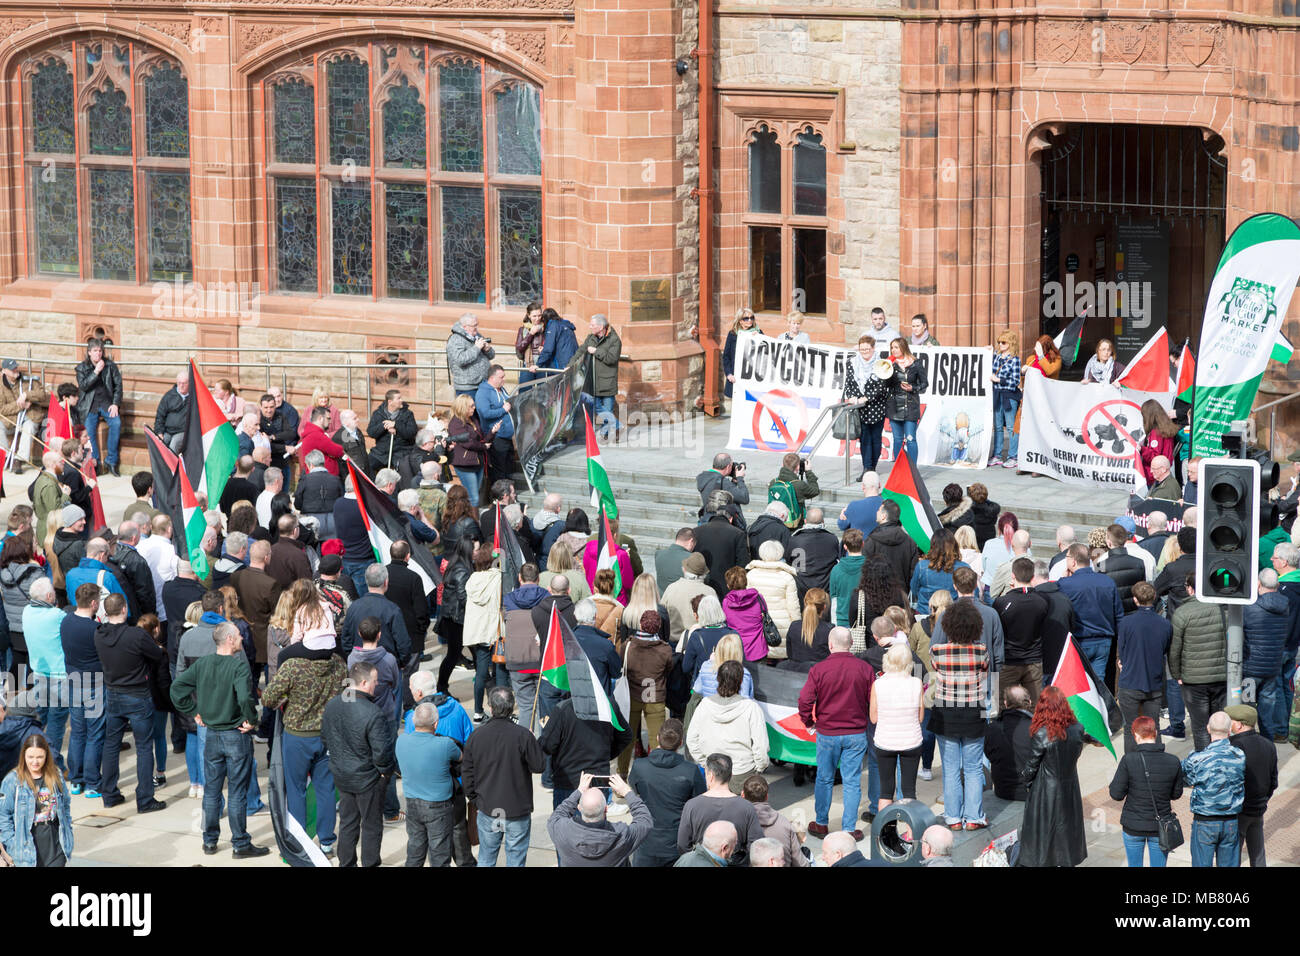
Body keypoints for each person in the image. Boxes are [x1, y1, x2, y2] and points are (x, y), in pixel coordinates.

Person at [169, 621, 270, 859]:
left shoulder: (203, 664)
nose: (242, 639)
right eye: (238, 636)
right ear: (229, 640)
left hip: (212, 735)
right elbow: (246, 698)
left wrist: (194, 710)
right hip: (235, 735)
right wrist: (252, 720)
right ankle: (240, 843)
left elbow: (177, 688)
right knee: (237, 792)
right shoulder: (238, 667)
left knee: (212, 792)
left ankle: (210, 841)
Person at [94, 594, 167, 813]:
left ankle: (109, 793)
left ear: (105, 613)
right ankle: (144, 799)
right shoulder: (135, 635)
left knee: (111, 744)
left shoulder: (99, 634)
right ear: (124, 609)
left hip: (114, 693)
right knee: (144, 746)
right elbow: (156, 654)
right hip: (137, 695)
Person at [798, 627, 873, 839]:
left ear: (830, 645)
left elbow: (805, 700)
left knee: (824, 778)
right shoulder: (864, 668)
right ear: (850, 644)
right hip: (856, 732)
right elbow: (872, 700)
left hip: (828, 732)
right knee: (851, 781)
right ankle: (849, 828)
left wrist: (808, 721)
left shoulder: (819, 669)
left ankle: (821, 823)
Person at [320, 660, 396, 867]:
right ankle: (369, 864)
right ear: (363, 683)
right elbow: (382, 753)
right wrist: (384, 773)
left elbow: (325, 738)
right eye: (374, 682)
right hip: (367, 778)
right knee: (371, 826)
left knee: (347, 823)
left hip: (342, 775)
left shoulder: (332, 704)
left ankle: (346, 863)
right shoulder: (373, 713)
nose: (376, 685)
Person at [462, 686, 546, 866]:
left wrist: (476, 800)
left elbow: (467, 774)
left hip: (489, 808)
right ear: (511, 707)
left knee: (486, 858)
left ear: (490, 708)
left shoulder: (476, 736)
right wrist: (532, 742)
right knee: (515, 860)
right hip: (517, 810)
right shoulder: (522, 735)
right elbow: (539, 766)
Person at [1017, 686, 1096, 867]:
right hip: (1070, 788)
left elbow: (1032, 765)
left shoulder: (1042, 733)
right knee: (1065, 835)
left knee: (1044, 839)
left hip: (1045, 791)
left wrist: (1025, 781)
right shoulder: (1077, 729)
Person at [928, 599, 988, 830]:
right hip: (974, 711)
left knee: (950, 768)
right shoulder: (981, 651)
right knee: (973, 768)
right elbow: (985, 675)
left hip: (946, 713)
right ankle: (974, 817)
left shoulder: (938, 652)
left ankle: (953, 817)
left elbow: (934, 670)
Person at [1107, 715, 1184, 867]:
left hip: (1133, 825)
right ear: (1155, 733)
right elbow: (1176, 794)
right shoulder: (1173, 760)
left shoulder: (1129, 760)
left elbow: (1116, 794)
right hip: (1161, 826)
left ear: (1135, 735)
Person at [395, 701, 464, 867]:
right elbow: (461, 757)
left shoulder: (401, 741)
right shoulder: (445, 744)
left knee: (415, 851)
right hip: (438, 806)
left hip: (412, 804)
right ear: (436, 724)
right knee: (439, 855)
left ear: (413, 721)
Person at [628, 719, 705, 866]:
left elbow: (635, 789)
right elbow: (699, 802)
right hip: (677, 841)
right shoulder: (690, 770)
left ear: (657, 738)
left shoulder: (639, 766)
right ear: (681, 742)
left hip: (647, 840)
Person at [686, 660, 768, 791]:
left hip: (716, 771)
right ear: (740, 681)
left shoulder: (705, 705)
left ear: (718, 679)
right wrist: (759, 767)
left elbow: (691, 740)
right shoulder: (751, 708)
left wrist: (705, 763)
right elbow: (761, 746)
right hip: (742, 771)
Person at [1169, 573, 1227, 751]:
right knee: (1219, 722)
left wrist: (1176, 674)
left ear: (1190, 588)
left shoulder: (1182, 613)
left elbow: (1175, 649)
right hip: (1221, 677)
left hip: (1194, 680)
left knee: (1200, 725)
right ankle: (1220, 757)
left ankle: (1204, 760)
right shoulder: (1224, 609)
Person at [547, 771, 653, 867]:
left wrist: (579, 791)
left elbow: (557, 815)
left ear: (579, 808)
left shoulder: (562, 831)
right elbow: (645, 820)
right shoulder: (622, 836)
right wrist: (626, 792)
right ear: (606, 809)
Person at [1180, 711, 1245, 867]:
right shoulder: (1240, 755)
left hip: (1205, 820)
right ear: (1230, 730)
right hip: (1230, 820)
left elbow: (1183, 778)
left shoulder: (1197, 758)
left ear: (1208, 728)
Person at [1113, 581, 1171, 752]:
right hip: (1154, 682)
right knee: (1153, 726)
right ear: (1154, 597)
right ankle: (1156, 760)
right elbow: (1165, 649)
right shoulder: (1165, 624)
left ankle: (1131, 764)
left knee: (1131, 728)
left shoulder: (1126, 623)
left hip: (1130, 682)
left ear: (1135, 600)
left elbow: (1121, 652)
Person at [676, 753, 764, 865]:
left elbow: (682, 844)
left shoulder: (692, 805)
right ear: (731, 775)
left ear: (710, 776)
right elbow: (756, 845)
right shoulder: (746, 807)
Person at [60, 583, 105, 798]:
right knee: (94, 734)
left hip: (73, 680)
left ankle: (76, 780)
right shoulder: (95, 629)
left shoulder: (66, 621)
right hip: (94, 683)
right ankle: (93, 782)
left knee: (78, 732)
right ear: (94, 603)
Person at [1057, 543, 1124, 688]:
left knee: (1078, 684)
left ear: (1073, 561)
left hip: (1079, 640)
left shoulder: (1065, 584)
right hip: (1103, 640)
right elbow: (1118, 615)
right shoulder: (1107, 581)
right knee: (1098, 683)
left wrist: (1063, 579)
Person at [0, 733, 73, 866]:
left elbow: (65, 805)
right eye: (30, 757)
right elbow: (3, 816)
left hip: (55, 847)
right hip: (26, 850)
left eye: (40, 757)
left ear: (46, 756)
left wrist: (68, 834)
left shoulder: (55, 775)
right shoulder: (12, 780)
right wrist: (12, 844)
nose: (35, 762)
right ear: (23, 756)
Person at [618, 610, 673, 776]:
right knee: (658, 740)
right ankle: (657, 776)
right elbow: (668, 669)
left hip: (632, 697)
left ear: (641, 624)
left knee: (627, 739)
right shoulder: (665, 650)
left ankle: (621, 775)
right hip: (655, 697)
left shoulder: (627, 646)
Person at [871, 642, 924, 808]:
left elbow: (873, 718)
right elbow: (920, 717)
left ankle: (884, 832)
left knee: (885, 791)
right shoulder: (916, 683)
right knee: (909, 791)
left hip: (885, 740)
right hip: (911, 740)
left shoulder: (878, 684)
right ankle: (910, 832)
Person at [1225, 705, 1277, 867]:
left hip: (1240, 811)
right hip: (1259, 808)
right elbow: (1273, 780)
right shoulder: (1268, 745)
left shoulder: (1235, 747)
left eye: (1230, 722)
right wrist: (1262, 800)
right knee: (1258, 854)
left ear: (1238, 725)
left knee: (1232, 857)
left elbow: (1230, 782)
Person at [1242, 570, 1290, 741]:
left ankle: (1247, 742)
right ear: (1277, 585)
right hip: (1272, 668)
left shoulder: (1250, 607)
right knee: (1267, 709)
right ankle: (1267, 743)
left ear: (1258, 584)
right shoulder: (1285, 606)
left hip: (1250, 669)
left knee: (1246, 709)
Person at [74, 338, 122, 475]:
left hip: (107, 403)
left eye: (100, 351)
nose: (98, 354)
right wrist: (96, 372)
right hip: (89, 405)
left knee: (116, 423)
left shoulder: (110, 366)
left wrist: (115, 404)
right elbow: (83, 386)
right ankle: (94, 463)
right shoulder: (82, 368)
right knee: (89, 432)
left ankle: (111, 461)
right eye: (95, 351)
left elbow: (118, 386)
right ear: (89, 352)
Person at [985, 685, 1033, 801]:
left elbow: (990, 755)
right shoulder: (1037, 728)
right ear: (1030, 702)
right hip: (1030, 792)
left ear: (1006, 703)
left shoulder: (993, 727)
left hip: (1003, 791)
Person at [579, 314, 622, 438]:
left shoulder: (614, 340)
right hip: (594, 381)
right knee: (598, 408)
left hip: (608, 382)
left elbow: (611, 358)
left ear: (601, 326)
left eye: (592, 325)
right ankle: (617, 426)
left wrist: (596, 351)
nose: (590, 327)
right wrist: (569, 366)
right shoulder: (591, 338)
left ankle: (606, 433)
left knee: (607, 410)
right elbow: (580, 352)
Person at [0, 357, 47, 472]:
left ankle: (19, 459)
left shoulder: (28, 380)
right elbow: (1, 409)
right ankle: (6, 456)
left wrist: (27, 395)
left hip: (29, 415)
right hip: (11, 419)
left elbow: (42, 395)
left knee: (29, 427)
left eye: (16, 367)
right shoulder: (0, 386)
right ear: (4, 371)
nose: (15, 370)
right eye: (12, 369)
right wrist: (19, 405)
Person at [885, 338, 927, 462]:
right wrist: (887, 371)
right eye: (892, 347)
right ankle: (898, 469)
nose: (893, 350)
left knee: (910, 438)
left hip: (911, 406)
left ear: (903, 347)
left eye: (896, 347)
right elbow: (886, 385)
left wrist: (912, 388)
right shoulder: (890, 364)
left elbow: (924, 384)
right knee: (897, 439)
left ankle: (912, 469)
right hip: (894, 406)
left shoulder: (915, 363)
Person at [474, 365, 517, 481]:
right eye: (501, 377)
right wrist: (503, 410)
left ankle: (508, 495)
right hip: (496, 437)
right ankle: (499, 497)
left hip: (507, 436)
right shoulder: (483, 393)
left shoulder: (501, 389)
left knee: (509, 468)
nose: (504, 379)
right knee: (500, 471)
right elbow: (485, 413)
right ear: (492, 378)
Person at [987, 329, 1022, 468]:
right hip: (997, 395)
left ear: (1010, 343)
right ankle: (997, 455)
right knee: (997, 426)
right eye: (999, 342)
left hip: (1009, 397)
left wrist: (998, 380)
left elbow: (1015, 381)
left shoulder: (1015, 360)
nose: (1000, 344)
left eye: (1003, 342)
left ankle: (1013, 456)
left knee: (1011, 427)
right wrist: (988, 350)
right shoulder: (996, 356)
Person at [366, 388, 418, 477]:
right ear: (390, 402)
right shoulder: (378, 413)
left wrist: (395, 425)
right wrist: (384, 426)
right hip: (381, 452)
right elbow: (371, 432)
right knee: (366, 465)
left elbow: (411, 432)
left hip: (402, 451)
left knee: (404, 470)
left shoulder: (408, 414)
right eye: (398, 398)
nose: (401, 400)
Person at [446, 312, 496, 396]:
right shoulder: (456, 339)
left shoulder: (476, 335)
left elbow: (491, 355)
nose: (477, 327)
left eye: (477, 324)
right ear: (465, 327)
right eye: (474, 325)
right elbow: (460, 360)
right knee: (469, 409)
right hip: (468, 388)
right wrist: (476, 348)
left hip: (483, 384)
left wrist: (488, 349)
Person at [696, 453, 750, 528]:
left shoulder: (704, 478)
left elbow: (727, 493)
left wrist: (734, 481)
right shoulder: (722, 482)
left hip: (709, 521)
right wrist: (740, 478)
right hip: (724, 524)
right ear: (728, 467)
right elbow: (744, 498)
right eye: (731, 465)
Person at [529, 306, 580, 380]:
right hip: (573, 361)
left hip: (563, 365)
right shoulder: (565, 325)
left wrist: (538, 365)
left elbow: (548, 349)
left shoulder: (553, 325)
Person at [722, 308, 759, 399]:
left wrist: (758, 338)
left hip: (751, 376)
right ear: (740, 321)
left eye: (751, 317)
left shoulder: (758, 332)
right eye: (746, 318)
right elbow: (726, 356)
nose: (750, 320)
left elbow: (766, 352)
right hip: (736, 376)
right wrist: (729, 373)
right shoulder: (732, 334)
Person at [153, 371, 191, 453]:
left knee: (174, 445)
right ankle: (160, 466)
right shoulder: (169, 396)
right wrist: (159, 432)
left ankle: (171, 466)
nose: (181, 385)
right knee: (160, 444)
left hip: (182, 432)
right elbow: (160, 415)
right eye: (179, 383)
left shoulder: (193, 398)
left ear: (189, 383)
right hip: (167, 431)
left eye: (184, 383)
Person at [837, 472, 883, 539]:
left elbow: (842, 525)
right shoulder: (888, 505)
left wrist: (841, 516)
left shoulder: (854, 506)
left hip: (860, 547)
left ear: (863, 486)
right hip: (882, 547)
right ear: (879, 485)